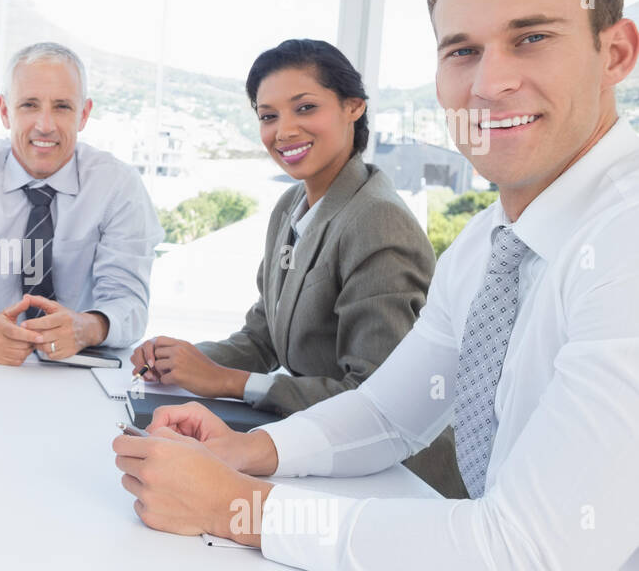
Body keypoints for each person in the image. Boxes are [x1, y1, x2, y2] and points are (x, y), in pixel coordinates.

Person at [112, 0, 639, 571]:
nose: (490, 84)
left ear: (615, 53)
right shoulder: (491, 242)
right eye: (462, 50)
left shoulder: (625, 243)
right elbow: (391, 411)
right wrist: (245, 452)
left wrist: (240, 509)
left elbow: (526, 569)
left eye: (531, 38)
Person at [130, 39, 462, 498]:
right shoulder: (292, 205)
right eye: (268, 116)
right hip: (314, 447)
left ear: (353, 107)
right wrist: (183, 361)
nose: (283, 130)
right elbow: (264, 336)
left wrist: (228, 381)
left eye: (304, 108)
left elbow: (376, 400)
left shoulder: (378, 221)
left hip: (398, 480)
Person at [0, 42, 162, 364]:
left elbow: (129, 303)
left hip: (79, 369)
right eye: (29, 105)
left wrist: (87, 327)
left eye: (62, 107)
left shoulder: (118, 186)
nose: (45, 125)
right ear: (4, 111)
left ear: (84, 114)